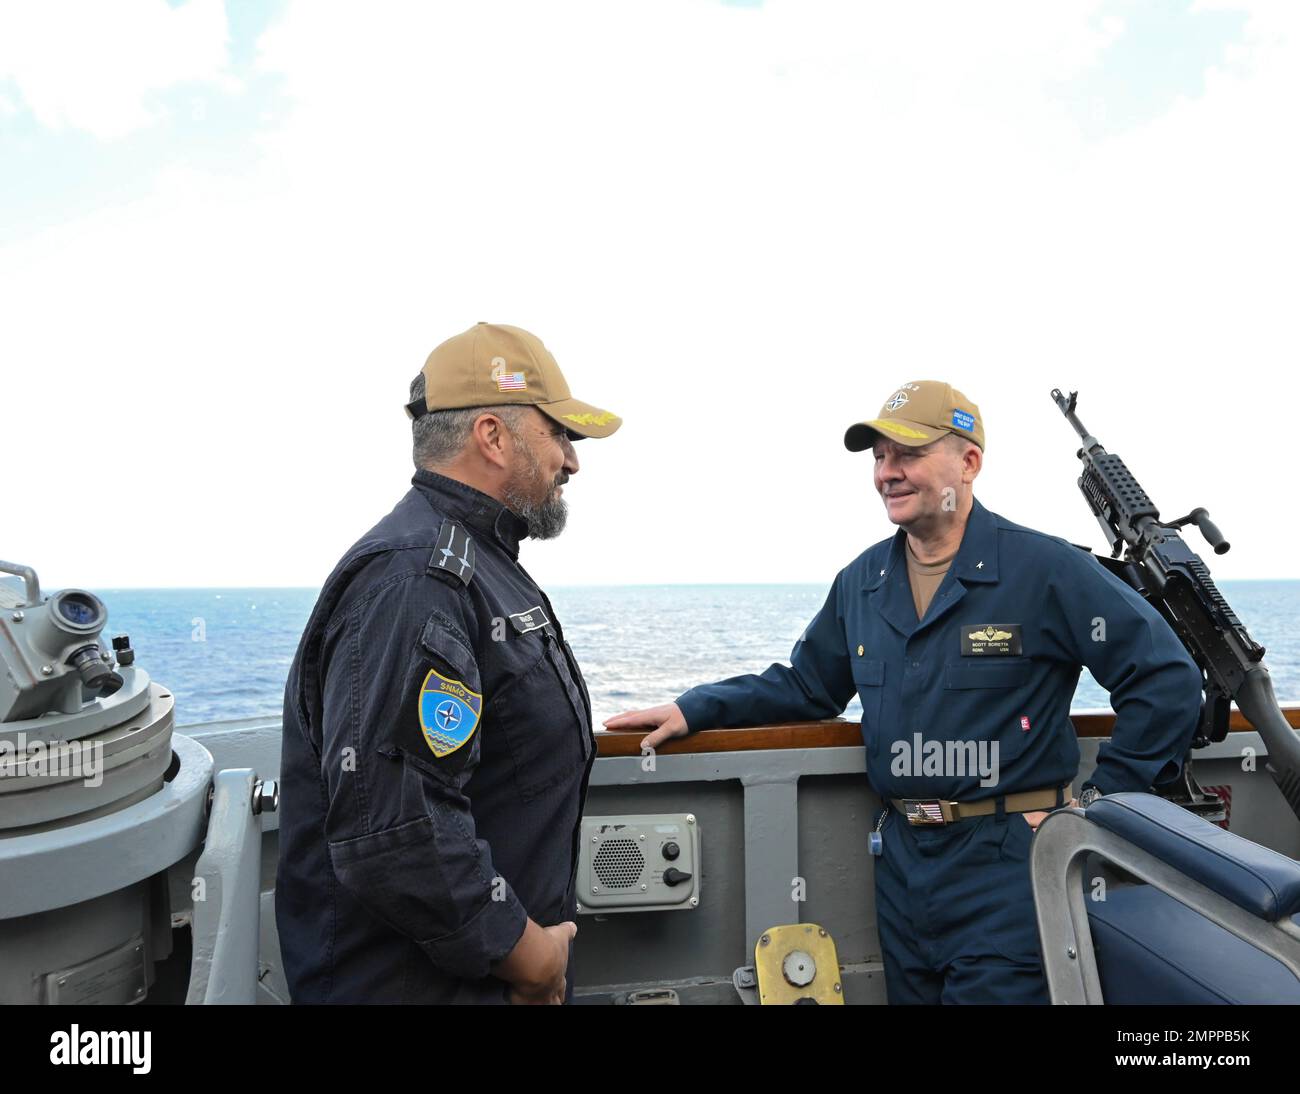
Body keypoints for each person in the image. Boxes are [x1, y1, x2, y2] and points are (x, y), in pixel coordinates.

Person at [605, 380, 1201, 1004]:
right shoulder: (863, 581)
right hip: (901, 865)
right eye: (879, 458)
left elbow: (1165, 677)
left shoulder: (1044, 569)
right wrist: (694, 708)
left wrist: (1102, 805)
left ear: (968, 462)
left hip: (1008, 867)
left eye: (907, 455)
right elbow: (809, 686)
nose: (887, 473)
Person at [276, 322, 621, 1003]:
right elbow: (397, 832)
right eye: (559, 435)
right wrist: (530, 958)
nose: (572, 462)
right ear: (492, 436)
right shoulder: (417, 581)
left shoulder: (478, 561)